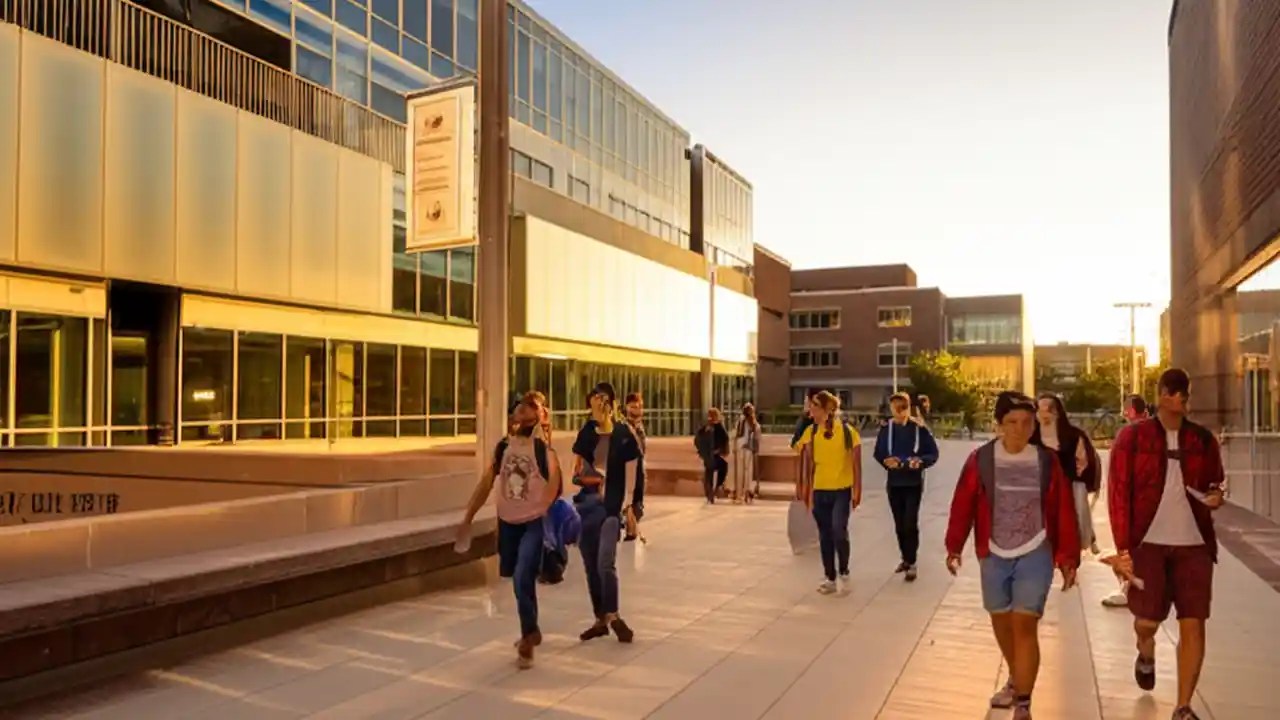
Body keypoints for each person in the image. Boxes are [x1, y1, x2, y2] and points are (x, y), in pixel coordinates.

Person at [945, 391, 1080, 720]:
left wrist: (1067, 557)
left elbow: (1063, 510)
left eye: (1026, 422)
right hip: (993, 552)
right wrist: (954, 545)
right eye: (1012, 423)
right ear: (999, 425)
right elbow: (963, 502)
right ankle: (1015, 675)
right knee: (1001, 622)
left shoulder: (1046, 461)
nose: (1020, 429)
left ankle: (1023, 701)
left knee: (1025, 625)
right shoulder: (982, 459)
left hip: (1035, 549)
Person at [1108, 370, 1225, 720]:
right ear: (1160, 395)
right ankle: (1146, 650)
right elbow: (1118, 494)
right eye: (1173, 393)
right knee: (1147, 619)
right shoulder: (1133, 438)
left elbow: (1216, 482)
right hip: (1148, 545)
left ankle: (1183, 706)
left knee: (1194, 621)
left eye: (1184, 394)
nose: (1180, 400)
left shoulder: (1203, 440)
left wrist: (1216, 495)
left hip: (1194, 545)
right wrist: (1124, 548)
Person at [456, 397, 563, 669]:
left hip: (532, 524)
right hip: (507, 524)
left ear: (538, 416)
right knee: (519, 581)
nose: (524, 410)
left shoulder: (543, 450)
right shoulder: (503, 447)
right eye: (521, 406)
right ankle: (531, 629)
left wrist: (542, 506)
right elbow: (486, 482)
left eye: (531, 407)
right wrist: (468, 516)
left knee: (522, 576)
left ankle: (528, 637)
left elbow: (556, 483)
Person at [573, 382, 643, 644]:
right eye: (594, 398)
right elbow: (578, 470)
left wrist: (631, 508)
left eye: (603, 399)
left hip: (611, 507)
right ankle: (600, 618)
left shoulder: (624, 434)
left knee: (605, 562)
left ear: (612, 403)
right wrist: (585, 478)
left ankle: (613, 614)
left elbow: (634, 475)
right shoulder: (587, 433)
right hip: (587, 506)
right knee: (591, 565)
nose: (598, 403)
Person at [792, 391, 863, 595]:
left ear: (826, 409)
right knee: (825, 534)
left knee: (839, 530)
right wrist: (804, 489)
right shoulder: (811, 431)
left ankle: (844, 571)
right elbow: (804, 461)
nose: (810, 410)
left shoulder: (848, 432)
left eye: (815, 406)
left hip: (841, 490)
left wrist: (857, 489)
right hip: (819, 490)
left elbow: (856, 464)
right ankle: (830, 577)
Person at [874, 392, 939, 581]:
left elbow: (932, 453)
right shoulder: (887, 429)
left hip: (913, 482)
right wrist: (886, 461)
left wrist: (919, 462)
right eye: (895, 408)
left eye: (903, 408)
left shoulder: (919, 429)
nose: (899, 412)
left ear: (909, 407)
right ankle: (905, 558)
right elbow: (879, 452)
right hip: (894, 483)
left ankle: (912, 561)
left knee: (910, 522)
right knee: (899, 524)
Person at [1031, 393, 1102, 555]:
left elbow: (1083, 461)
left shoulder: (1073, 436)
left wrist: (1070, 479)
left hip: (1069, 486)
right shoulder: (1031, 438)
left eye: (1049, 410)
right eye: (1040, 410)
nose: (1044, 415)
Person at [1102, 394, 1151, 608]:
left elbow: (1119, 480)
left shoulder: (1128, 437)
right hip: (1150, 504)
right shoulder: (1158, 434)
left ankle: (1129, 586)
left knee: (1129, 547)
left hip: (1133, 503)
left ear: (1130, 411)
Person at [622, 392, 647, 542]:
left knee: (638, 502)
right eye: (633, 406)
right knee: (631, 502)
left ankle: (633, 529)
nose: (637, 409)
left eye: (639, 406)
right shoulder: (624, 426)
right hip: (629, 468)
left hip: (640, 468)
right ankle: (632, 532)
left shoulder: (639, 426)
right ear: (626, 407)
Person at [694, 409, 731, 504]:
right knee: (720, 468)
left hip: (708, 455)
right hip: (711, 455)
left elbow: (697, 440)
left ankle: (711, 491)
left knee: (710, 472)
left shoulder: (707, 427)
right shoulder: (715, 427)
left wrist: (701, 452)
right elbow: (725, 439)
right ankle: (714, 489)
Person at [732, 403, 762, 504]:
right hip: (749, 448)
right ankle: (747, 493)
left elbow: (736, 434)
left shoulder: (740, 421)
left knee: (739, 472)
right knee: (748, 472)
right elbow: (757, 438)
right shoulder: (754, 423)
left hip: (739, 447)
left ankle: (738, 495)